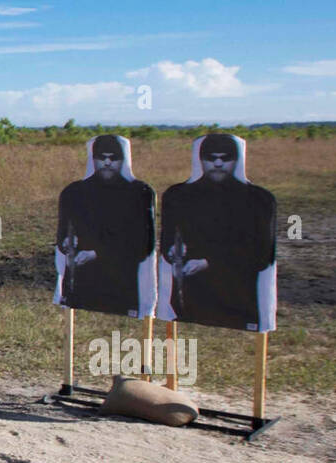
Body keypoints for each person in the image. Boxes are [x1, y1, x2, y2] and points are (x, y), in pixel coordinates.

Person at [159, 132, 277, 331]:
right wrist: (172, 249)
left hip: (238, 301)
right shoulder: (179, 196)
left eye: (225, 158)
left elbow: (261, 254)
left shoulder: (258, 200)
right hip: (190, 299)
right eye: (211, 158)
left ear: (236, 160)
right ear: (201, 159)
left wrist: (209, 262)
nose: (218, 164)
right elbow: (168, 238)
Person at [54, 134, 156, 318]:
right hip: (81, 283)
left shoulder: (138, 193)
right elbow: (62, 236)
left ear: (123, 159)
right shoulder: (74, 193)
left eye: (113, 157)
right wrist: (67, 241)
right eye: (102, 157)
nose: (107, 162)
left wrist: (97, 252)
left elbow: (142, 246)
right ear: (94, 159)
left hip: (121, 285)